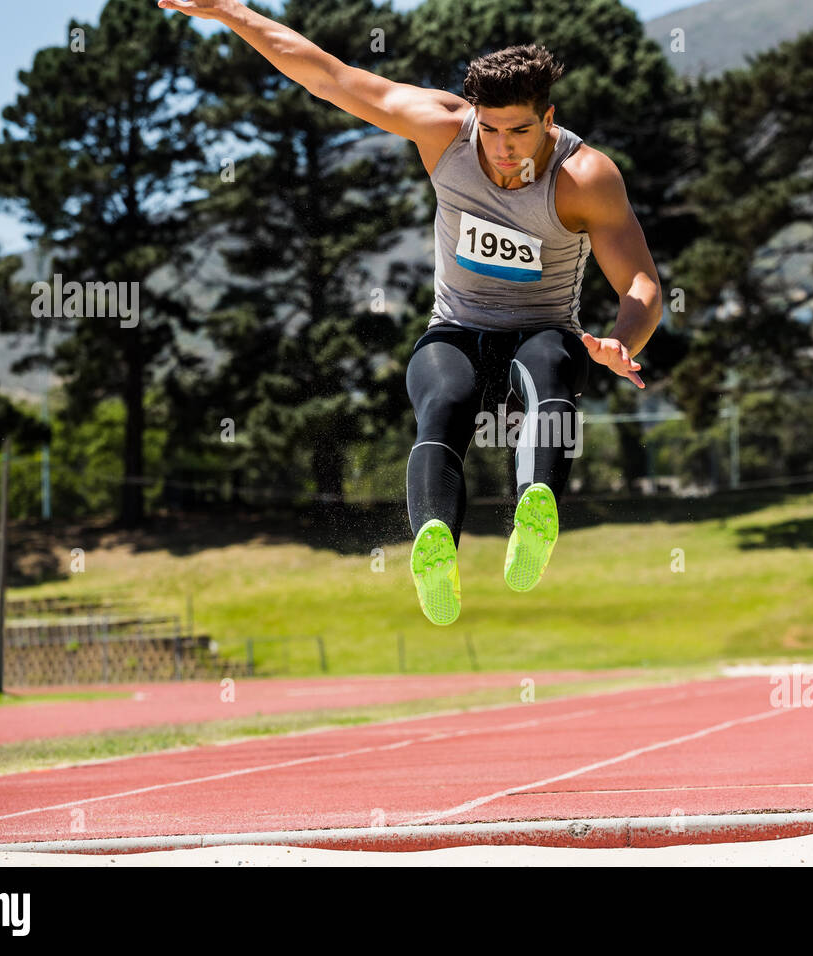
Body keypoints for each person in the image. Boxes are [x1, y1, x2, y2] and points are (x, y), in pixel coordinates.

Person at [157, 1, 663, 625]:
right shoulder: (442, 129)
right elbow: (329, 77)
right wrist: (234, 13)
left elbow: (639, 279)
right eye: (492, 131)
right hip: (455, 328)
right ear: (473, 116)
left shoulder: (584, 176)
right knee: (443, 401)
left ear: (548, 119)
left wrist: (623, 339)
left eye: (521, 133)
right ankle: (436, 553)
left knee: (552, 367)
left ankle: (535, 509)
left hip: (542, 330)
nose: (504, 151)